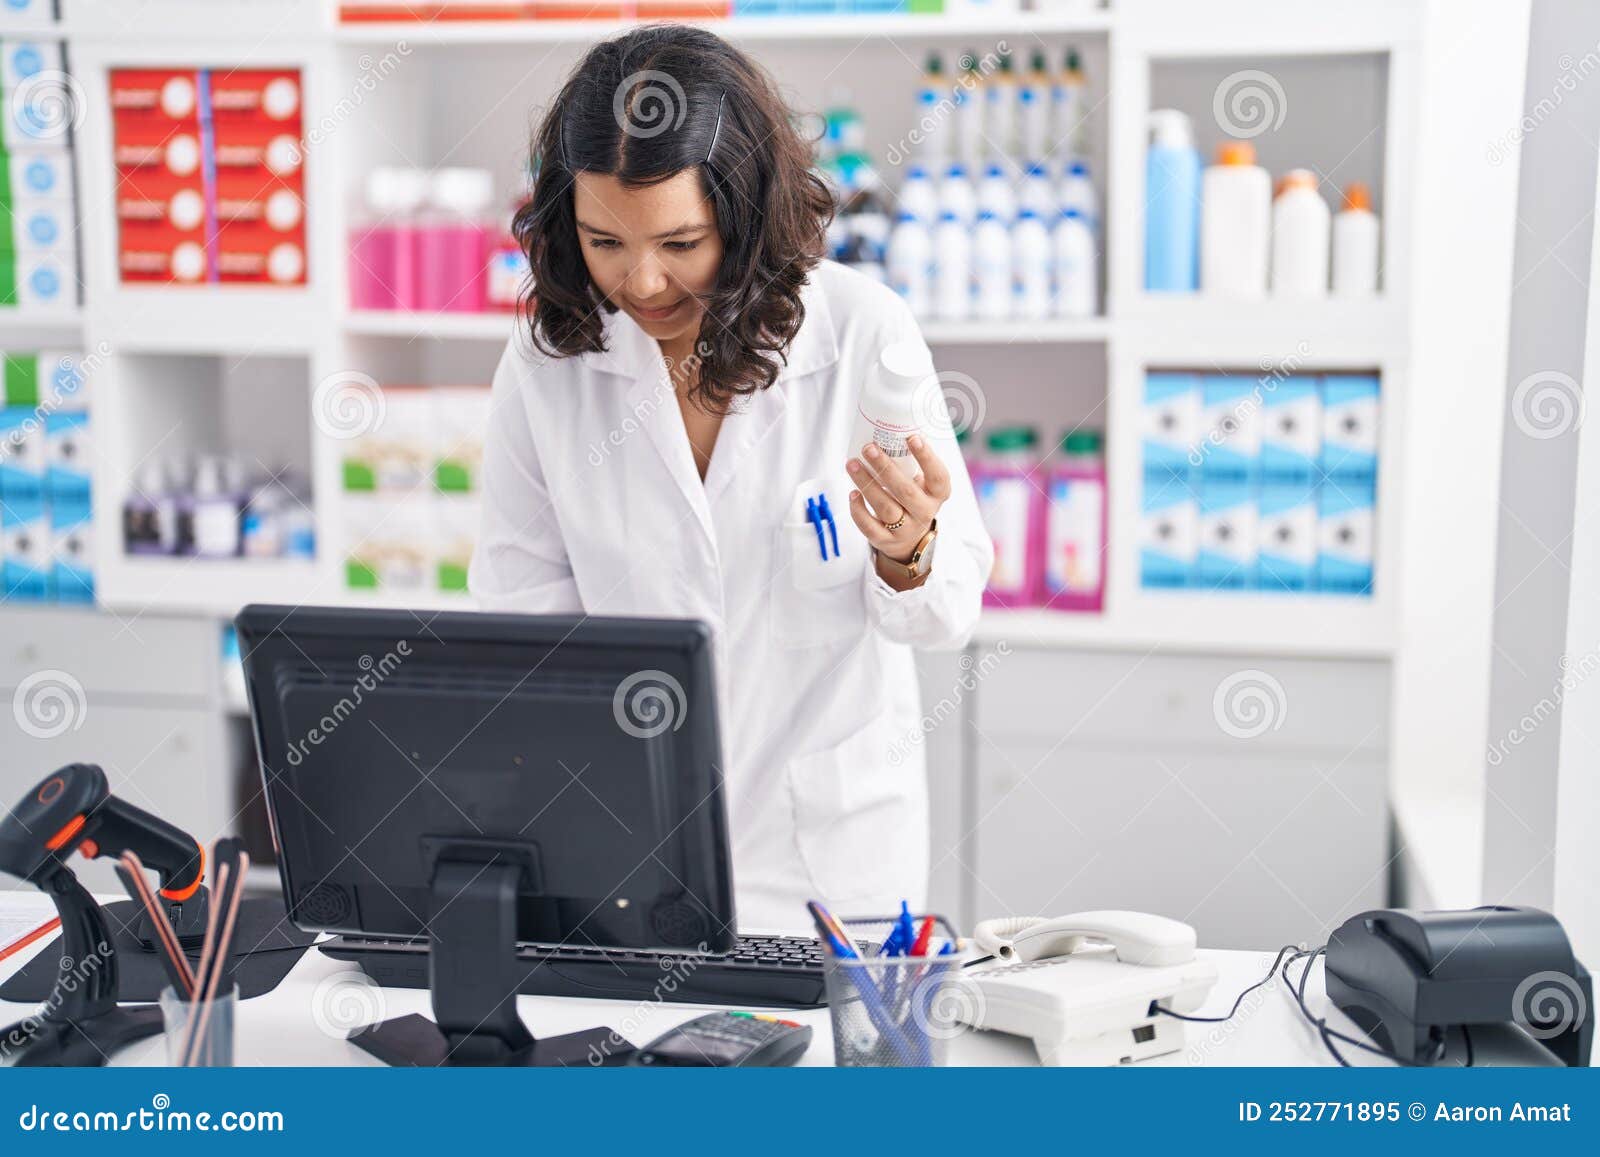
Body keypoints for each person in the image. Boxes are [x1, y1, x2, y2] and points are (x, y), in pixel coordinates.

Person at [470, 24, 993, 930]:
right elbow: (522, 629)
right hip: (621, 857)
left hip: (831, 868)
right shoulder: (548, 365)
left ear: (745, 214)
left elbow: (947, 612)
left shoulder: (861, 331)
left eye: (681, 242)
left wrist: (910, 550)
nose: (642, 281)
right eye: (604, 241)